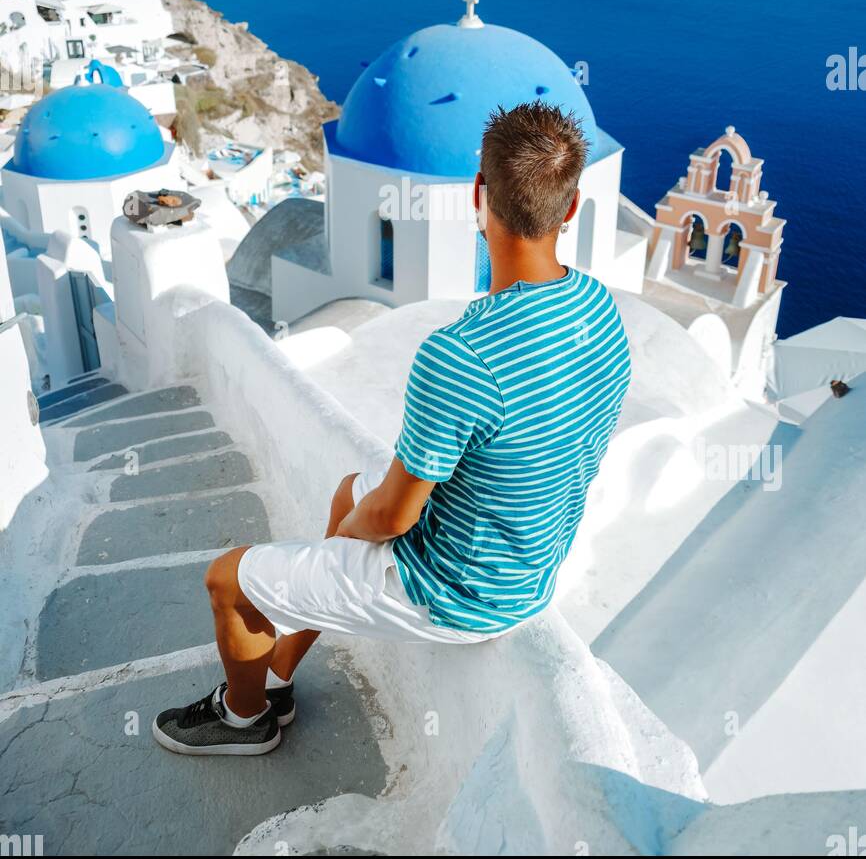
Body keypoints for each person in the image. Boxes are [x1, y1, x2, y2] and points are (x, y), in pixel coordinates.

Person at [153, 101, 631, 755]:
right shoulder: (601, 311)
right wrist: (355, 520)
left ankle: (244, 718)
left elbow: (394, 521)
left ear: (477, 196)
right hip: (530, 569)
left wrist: (353, 535)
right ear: (570, 208)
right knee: (349, 488)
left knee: (228, 581)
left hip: (454, 594)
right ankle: (282, 676)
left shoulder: (462, 353)